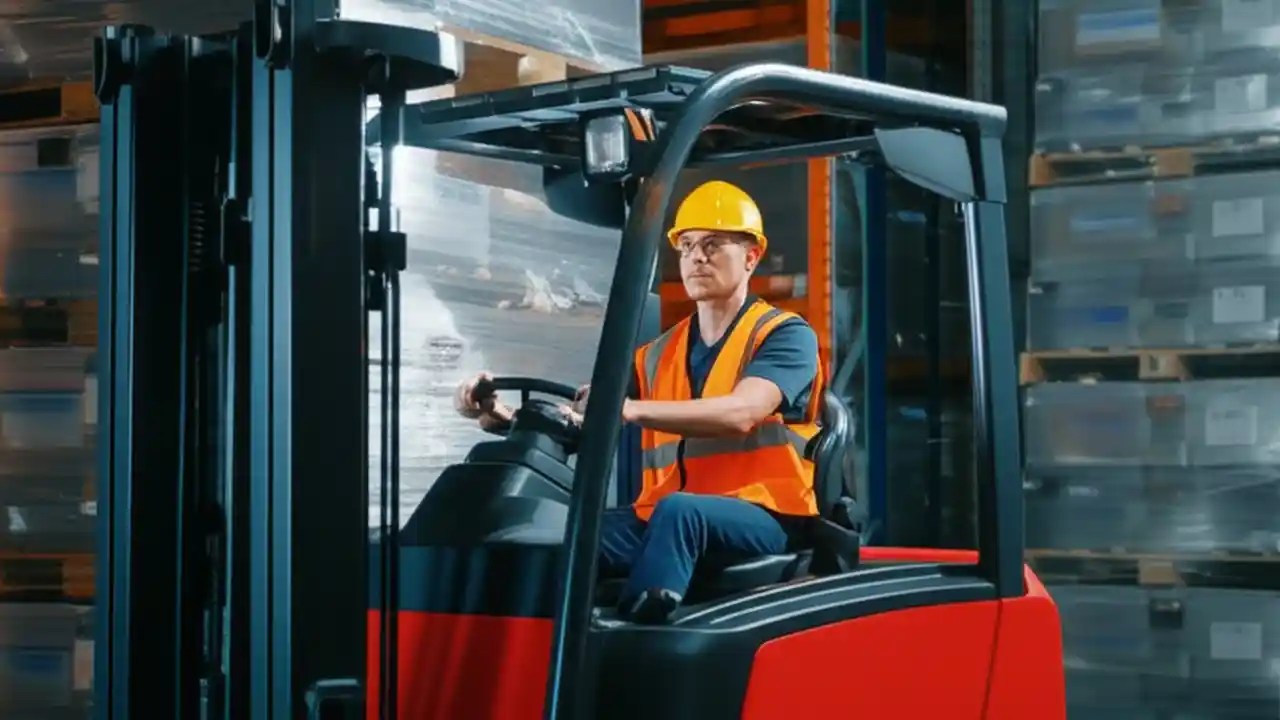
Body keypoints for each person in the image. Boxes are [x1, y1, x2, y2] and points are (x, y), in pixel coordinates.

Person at [453, 180, 824, 623]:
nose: (697, 256)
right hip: (662, 514)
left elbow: (742, 412)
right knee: (560, 535)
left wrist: (629, 409)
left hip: (765, 517)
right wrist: (500, 415)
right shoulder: (656, 354)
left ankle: (634, 646)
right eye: (686, 246)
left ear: (751, 256)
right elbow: (583, 421)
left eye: (713, 244)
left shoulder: (784, 335)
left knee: (680, 513)